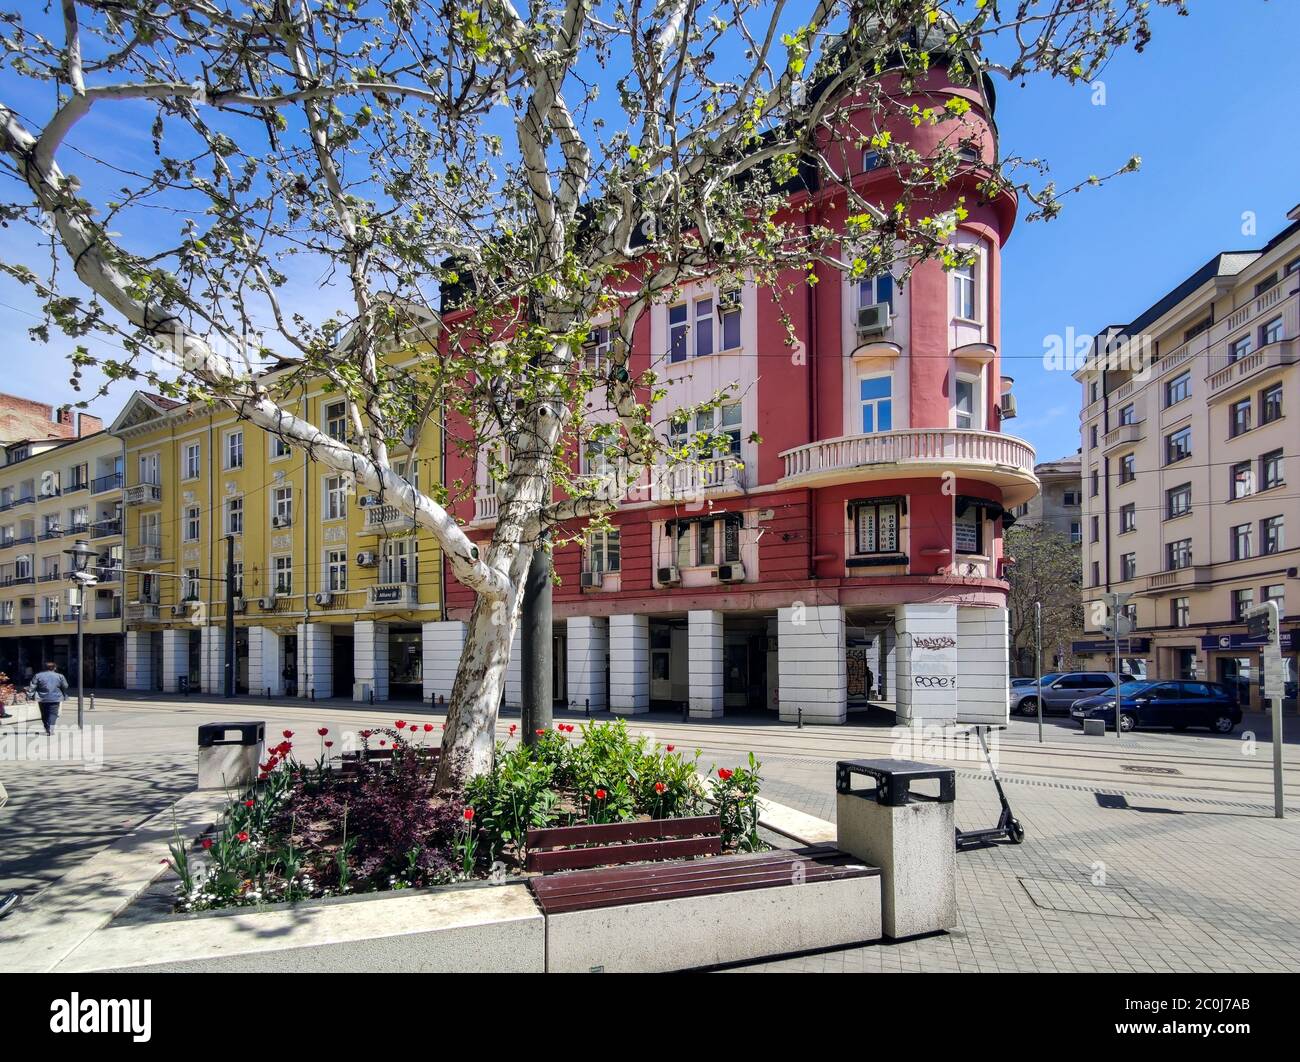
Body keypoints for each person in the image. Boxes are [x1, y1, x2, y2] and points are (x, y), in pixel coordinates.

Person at [27, 661, 69, 736]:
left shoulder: (38, 675)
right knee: (53, 714)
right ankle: (51, 729)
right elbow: (65, 686)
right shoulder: (60, 676)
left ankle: (47, 728)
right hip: (55, 697)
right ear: (55, 668)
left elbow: (32, 687)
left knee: (44, 714)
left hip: (42, 698)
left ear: (44, 668)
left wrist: (29, 696)